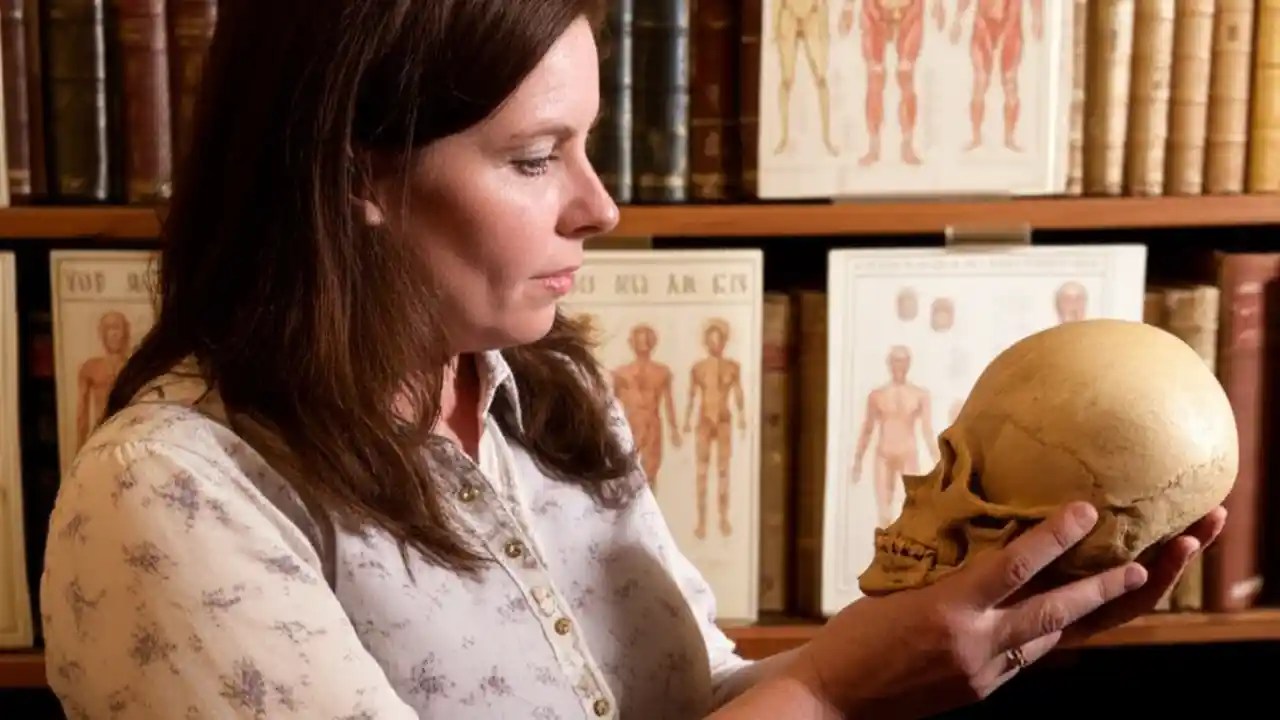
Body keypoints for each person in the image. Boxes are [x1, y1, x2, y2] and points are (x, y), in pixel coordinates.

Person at [38, 1, 1225, 718]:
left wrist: (967, 634)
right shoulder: (171, 495)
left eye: (588, 145)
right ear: (352, 173)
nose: (600, 207)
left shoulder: (554, 400)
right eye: (532, 157)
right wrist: (828, 695)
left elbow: (679, 703)